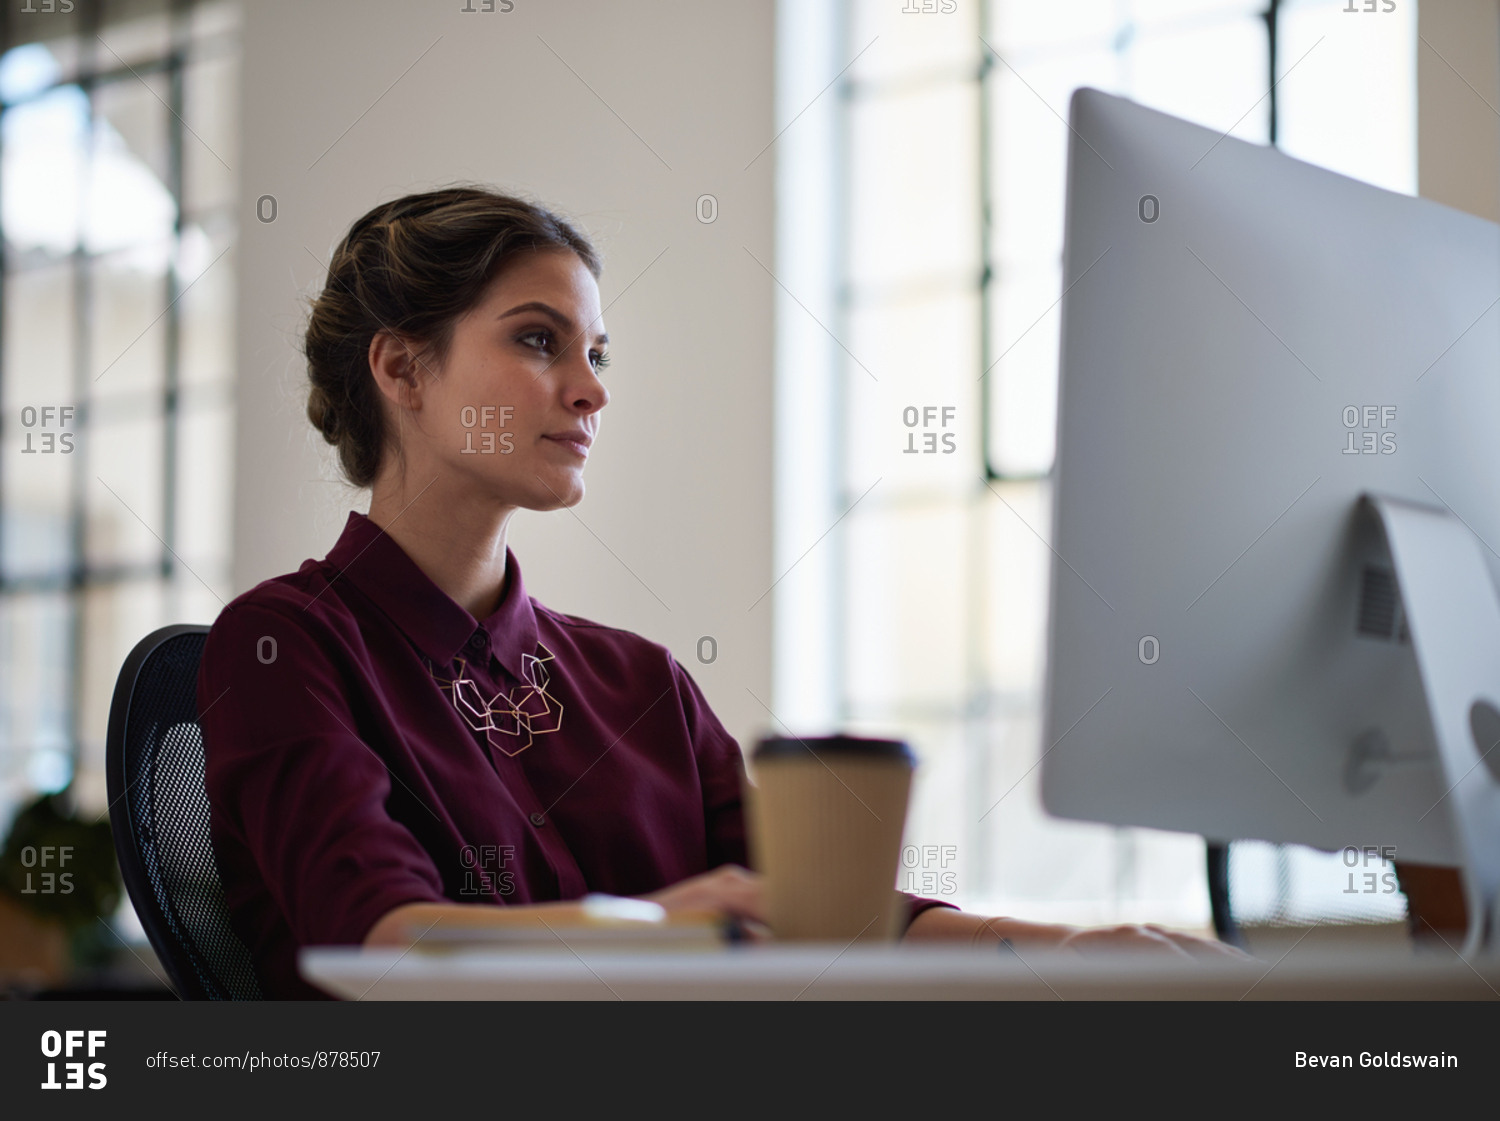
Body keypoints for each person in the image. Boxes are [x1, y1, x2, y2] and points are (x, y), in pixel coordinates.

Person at [196, 187, 1243, 999]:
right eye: (536, 337)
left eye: (596, 352)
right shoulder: (282, 645)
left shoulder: (638, 680)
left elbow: (809, 911)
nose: (591, 387)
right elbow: (380, 941)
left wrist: (1058, 946)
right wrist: (668, 924)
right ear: (401, 367)